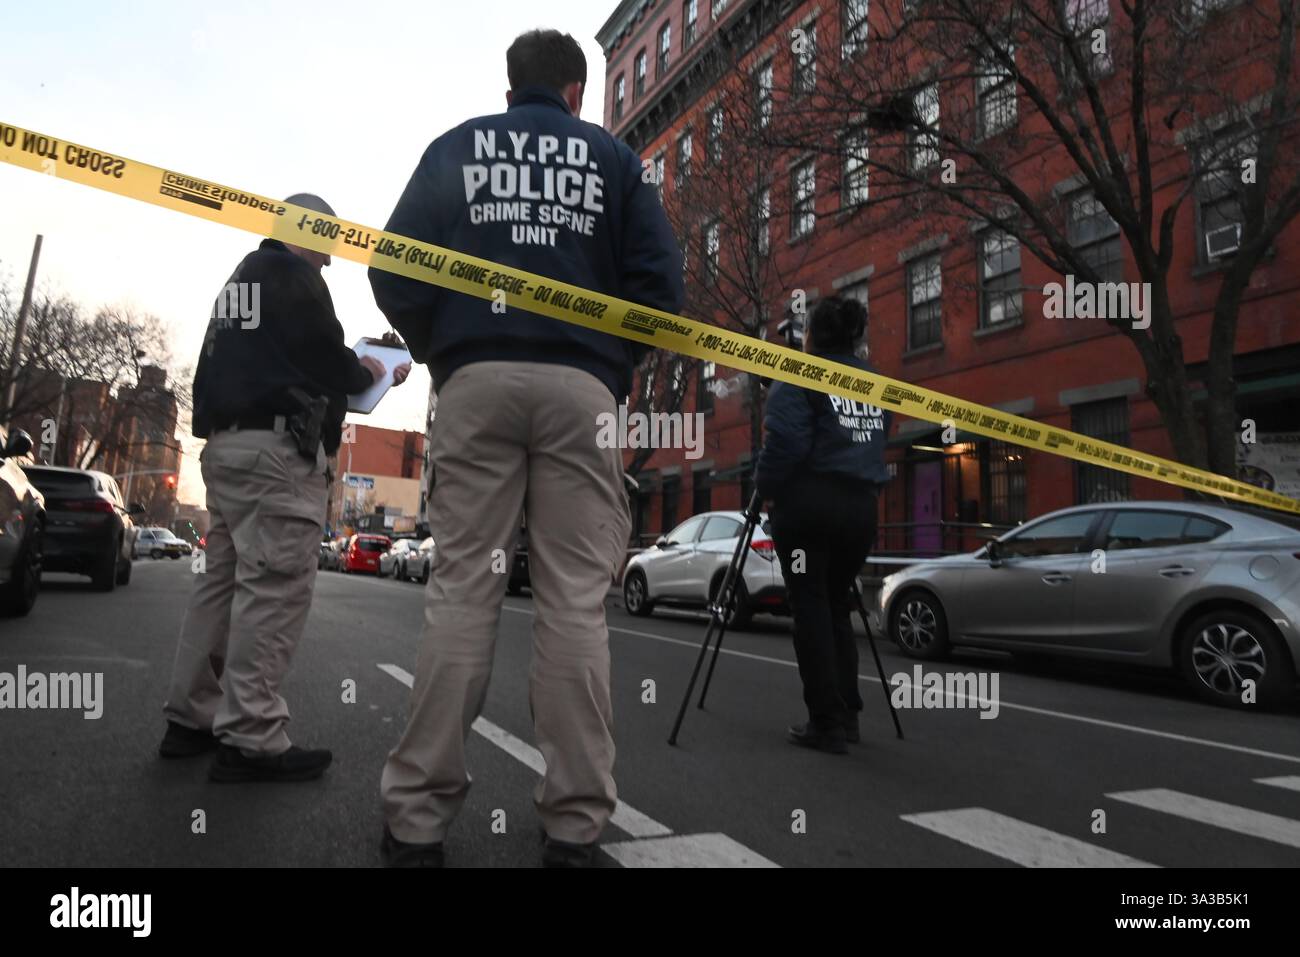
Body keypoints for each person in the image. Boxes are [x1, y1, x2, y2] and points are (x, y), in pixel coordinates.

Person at [369, 29, 683, 867]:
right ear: (578, 91)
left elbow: (391, 267)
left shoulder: (457, 146)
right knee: (575, 600)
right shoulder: (615, 163)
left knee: (462, 586)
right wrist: (606, 361)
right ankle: (577, 826)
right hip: (583, 387)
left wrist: (449, 346)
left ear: (510, 89)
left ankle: (417, 819)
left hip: (475, 379)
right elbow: (662, 290)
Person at [159, 192, 411, 782]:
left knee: (218, 588)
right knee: (272, 592)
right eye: (325, 247)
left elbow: (278, 361)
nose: (327, 262)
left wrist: (358, 374)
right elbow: (329, 364)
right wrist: (369, 371)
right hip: (275, 457)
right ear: (308, 231)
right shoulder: (293, 276)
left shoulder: (240, 281)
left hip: (225, 450)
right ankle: (251, 735)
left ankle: (191, 717)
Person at [754, 296, 891, 755]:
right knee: (835, 605)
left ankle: (826, 721)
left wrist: (765, 486)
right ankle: (847, 714)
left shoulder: (800, 375)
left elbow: (784, 443)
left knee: (810, 605)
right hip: (860, 511)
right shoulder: (873, 381)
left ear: (812, 335)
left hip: (809, 509)